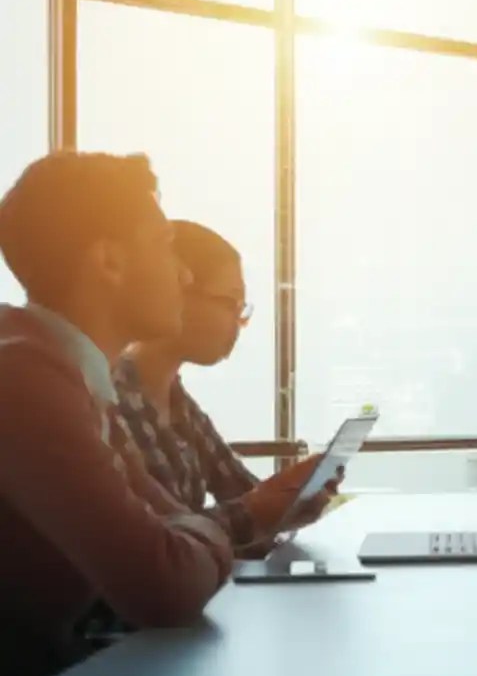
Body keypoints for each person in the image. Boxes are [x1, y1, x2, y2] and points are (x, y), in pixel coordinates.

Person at [0, 153, 232, 676]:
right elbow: (163, 585)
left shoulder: (73, 376)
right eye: (165, 245)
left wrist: (193, 535)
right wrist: (213, 533)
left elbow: (172, 523)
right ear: (109, 261)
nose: (184, 273)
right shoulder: (25, 379)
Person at [113, 220, 339, 558]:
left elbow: (240, 492)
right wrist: (264, 508)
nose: (238, 321)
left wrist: (290, 498)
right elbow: (164, 541)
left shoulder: (177, 401)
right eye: (231, 301)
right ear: (179, 288)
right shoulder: (113, 401)